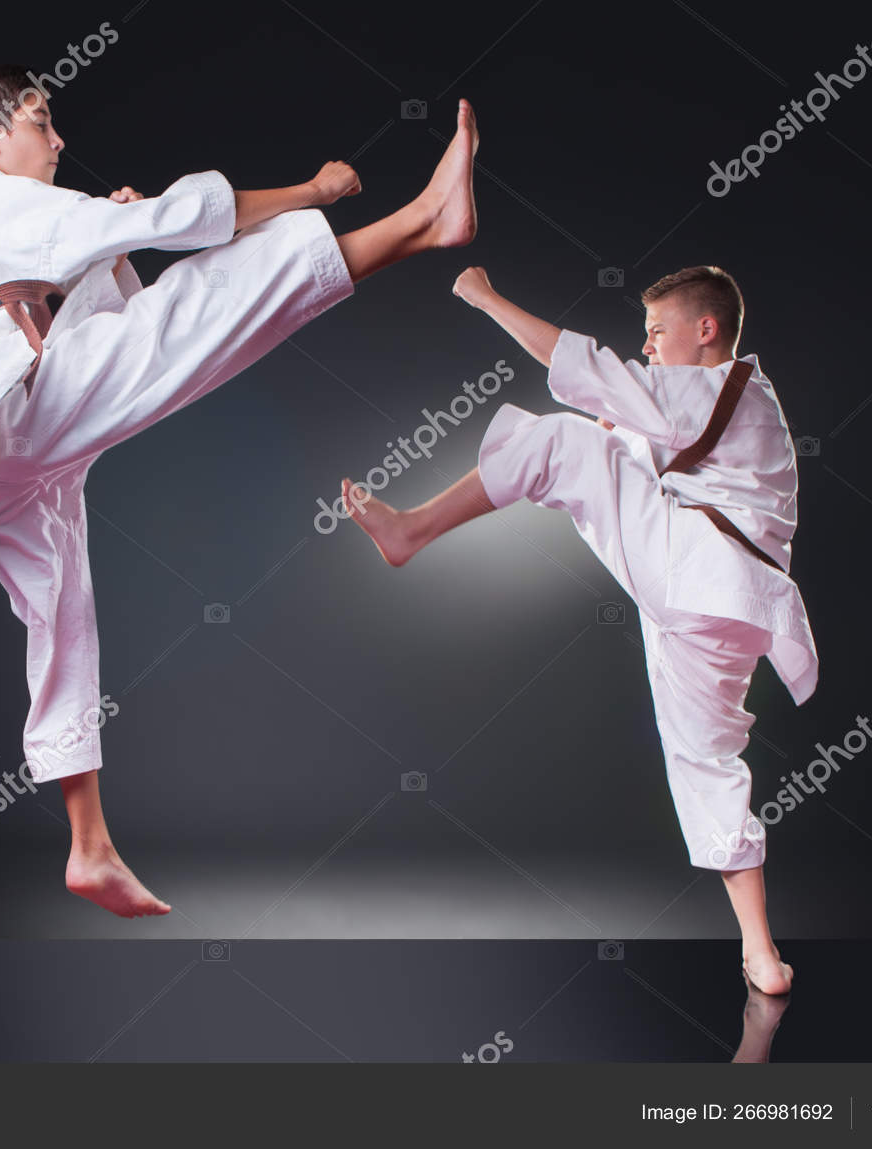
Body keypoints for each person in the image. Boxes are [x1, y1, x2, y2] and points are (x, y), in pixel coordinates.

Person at [0, 61, 479, 918]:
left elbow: (49, 327)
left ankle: (88, 846)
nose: (57, 141)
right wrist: (310, 188)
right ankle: (425, 220)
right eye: (41, 122)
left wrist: (113, 246)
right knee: (187, 315)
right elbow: (186, 218)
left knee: (61, 613)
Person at [339, 264, 816, 994]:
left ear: (707, 329)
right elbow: (663, 444)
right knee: (707, 762)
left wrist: (488, 297)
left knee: (559, 440)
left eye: (659, 333)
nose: (650, 348)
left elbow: (587, 370)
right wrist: (620, 432)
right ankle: (760, 953)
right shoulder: (747, 405)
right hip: (733, 612)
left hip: (694, 567)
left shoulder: (715, 385)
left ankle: (412, 529)